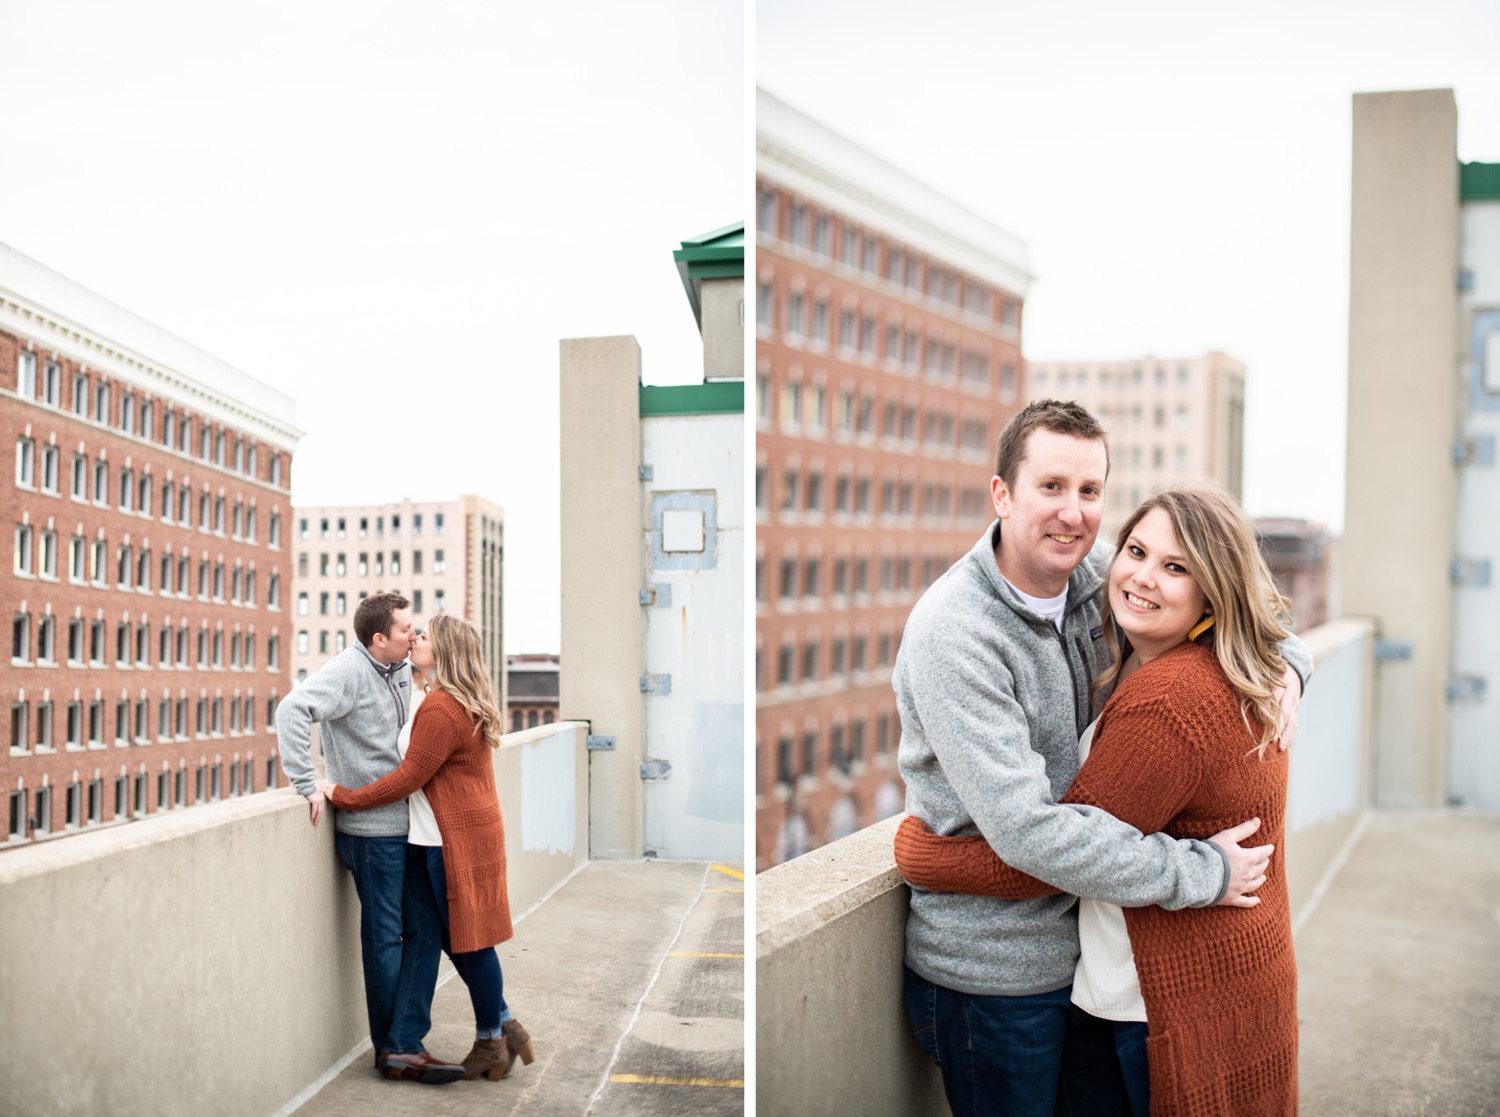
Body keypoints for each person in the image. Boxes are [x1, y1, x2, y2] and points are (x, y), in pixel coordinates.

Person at [893, 400, 1310, 1117]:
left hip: (1088, 956)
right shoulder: (955, 633)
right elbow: (1029, 833)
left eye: (1090, 491)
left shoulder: (1095, 581)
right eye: (1051, 486)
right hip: (999, 973)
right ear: (1002, 494)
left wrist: (1293, 664)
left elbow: (1248, 601)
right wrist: (1197, 870)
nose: (1073, 513)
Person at [317, 613, 532, 1083]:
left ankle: (491, 1039)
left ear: (446, 651)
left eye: (425, 636)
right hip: (466, 831)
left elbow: (409, 777)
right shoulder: (450, 699)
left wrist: (343, 796)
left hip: (448, 839)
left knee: (468, 943)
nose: (415, 639)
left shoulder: (440, 708)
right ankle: (506, 1029)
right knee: (465, 940)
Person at [277, 592, 466, 1084]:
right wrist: (305, 783)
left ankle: (404, 1041)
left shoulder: (401, 667)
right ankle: (396, 1051)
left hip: (410, 827)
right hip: (369, 833)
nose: (414, 635)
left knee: (427, 932)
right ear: (378, 638)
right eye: (405, 629)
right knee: (385, 938)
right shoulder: (348, 671)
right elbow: (292, 710)